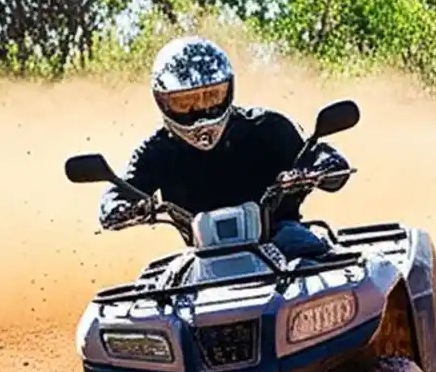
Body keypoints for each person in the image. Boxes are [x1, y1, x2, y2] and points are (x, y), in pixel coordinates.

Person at [97, 35, 351, 260]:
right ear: (163, 102)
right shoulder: (156, 150)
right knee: (157, 290)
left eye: (211, 96)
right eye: (185, 102)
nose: (200, 112)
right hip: (201, 257)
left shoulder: (266, 126)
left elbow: (315, 151)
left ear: (228, 90)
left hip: (282, 239)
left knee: (321, 260)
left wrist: (322, 167)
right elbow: (121, 188)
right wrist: (118, 208)